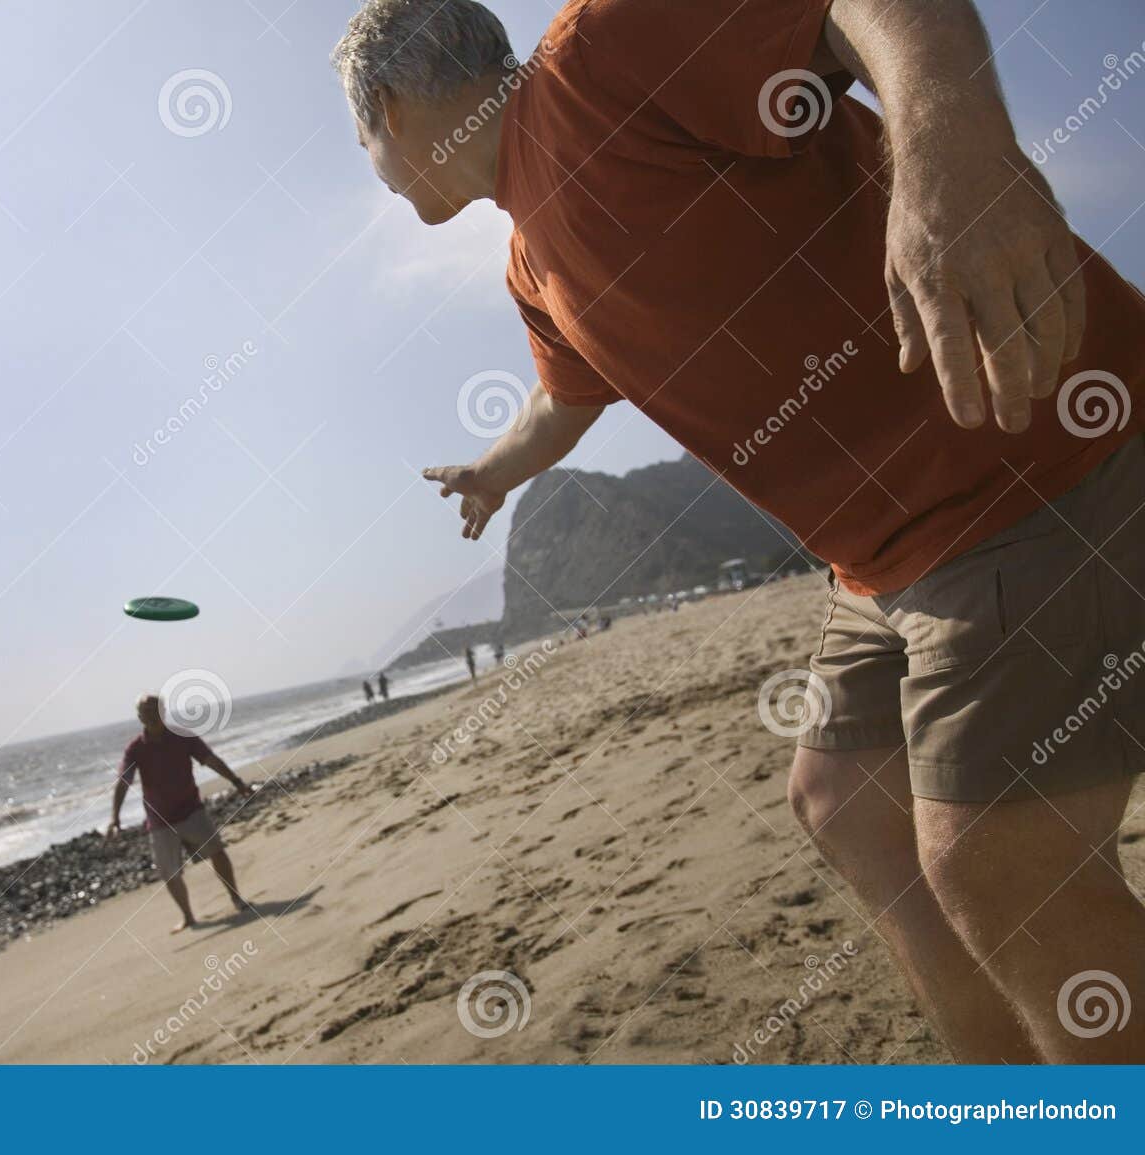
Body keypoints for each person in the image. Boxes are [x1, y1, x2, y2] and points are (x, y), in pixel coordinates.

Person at [333, 0, 1143, 1063]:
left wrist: (952, 154)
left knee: (996, 863)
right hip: (881, 566)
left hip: (1031, 461)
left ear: (386, 108)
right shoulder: (532, 266)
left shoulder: (598, 53)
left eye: (361, 140)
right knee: (848, 803)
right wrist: (492, 471)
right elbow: (561, 402)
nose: (374, 164)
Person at [107, 694, 254, 933]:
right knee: (169, 873)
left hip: (190, 809)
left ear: (164, 711)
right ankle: (188, 916)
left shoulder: (183, 737)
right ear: (139, 717)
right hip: (159, 819)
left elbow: (211, 760)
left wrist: (236, 782)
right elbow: (124, 781)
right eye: (146, 711)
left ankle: (236, 898)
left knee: (217, 851)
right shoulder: (135, 749)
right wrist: (115, 816)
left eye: (155, 709)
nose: (152, 714)